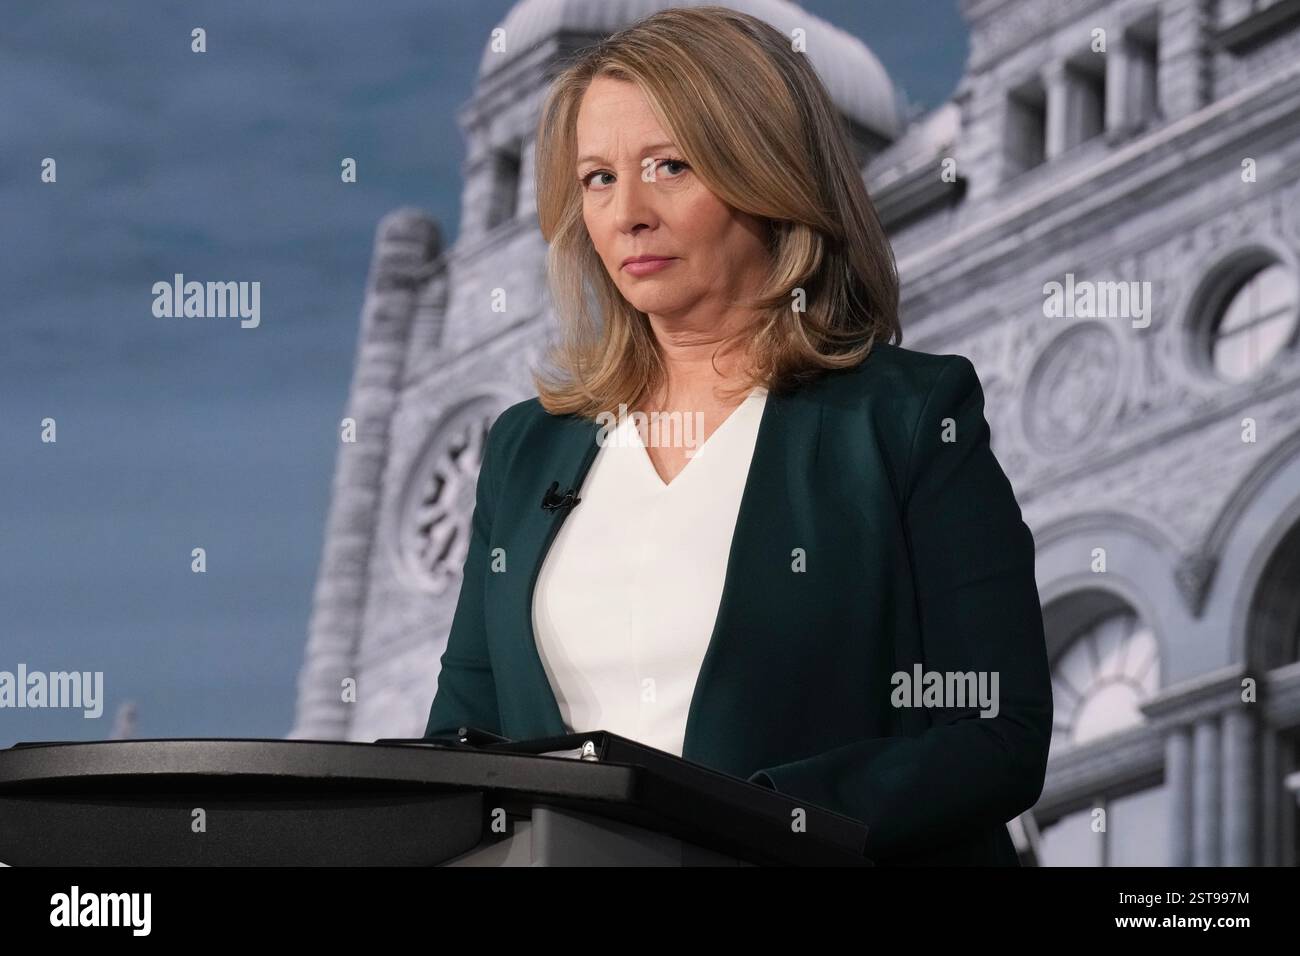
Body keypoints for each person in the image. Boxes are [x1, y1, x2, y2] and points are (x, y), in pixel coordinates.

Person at [424, 5, 1052, 865]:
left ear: (770, 174)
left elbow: (995, 734)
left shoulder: (907, 417)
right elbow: (461, 745)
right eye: (598, 178)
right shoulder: (524, 450)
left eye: (669, 166)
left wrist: (739, 826)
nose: (627, 213)